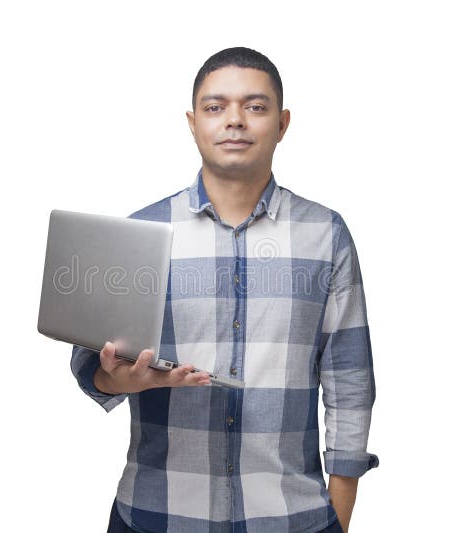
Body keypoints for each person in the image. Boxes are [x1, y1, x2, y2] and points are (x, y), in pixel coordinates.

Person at [70, 47, 379, 533]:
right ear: (193, 123)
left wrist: (337, 520)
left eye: (255, 107)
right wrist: (119, 380)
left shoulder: (326, 234)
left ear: (283, 123)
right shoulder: (140, 233)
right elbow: (92, 366)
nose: (234, 120)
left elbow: (351, 384)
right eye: (215, 108)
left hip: (291, 519)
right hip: (158, 516)